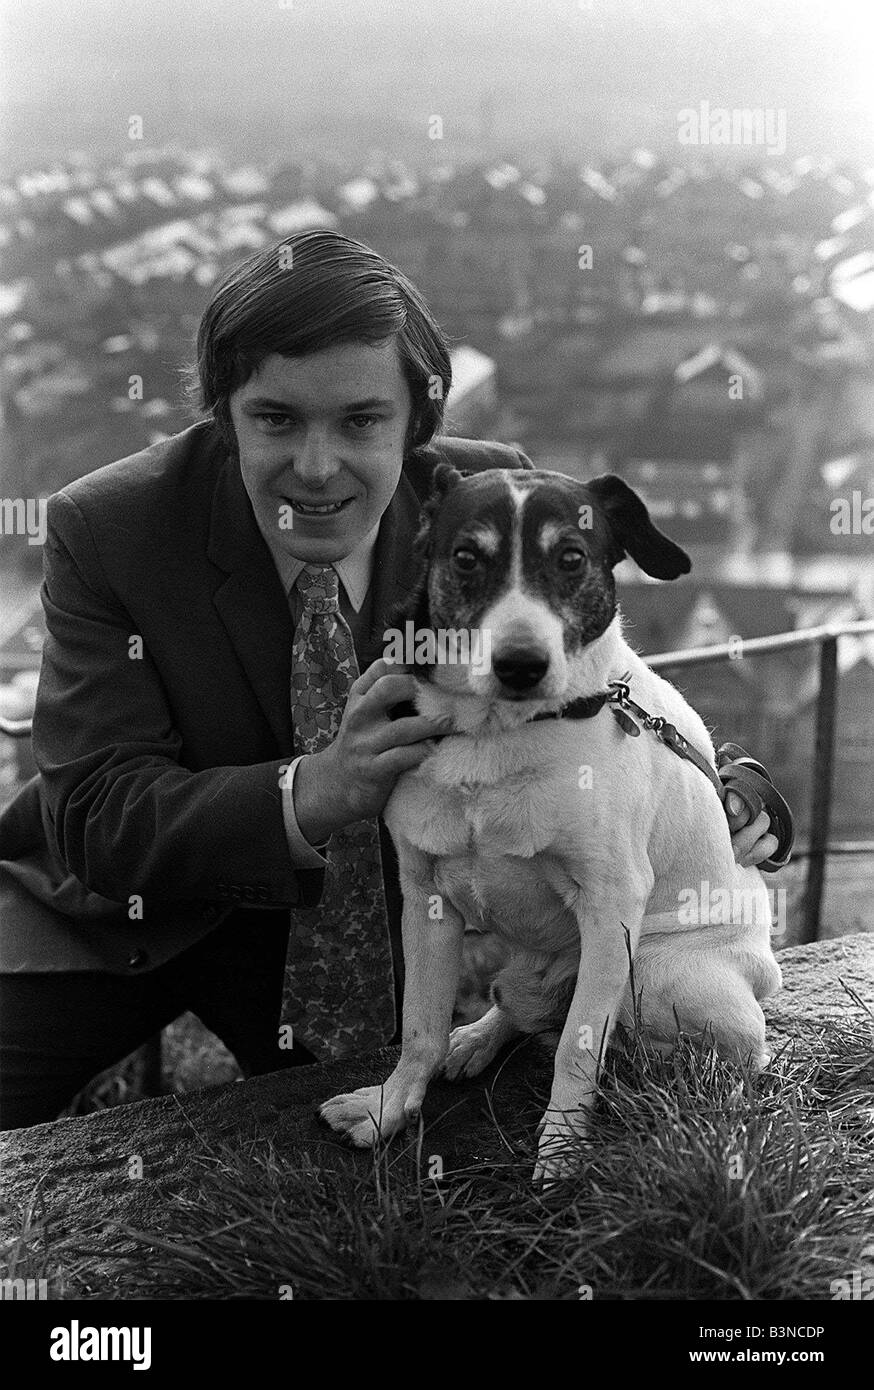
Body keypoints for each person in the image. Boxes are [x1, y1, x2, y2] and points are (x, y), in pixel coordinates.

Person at [0, 229, 783, 1130]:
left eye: (362, 420)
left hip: (377, 928)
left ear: (420, 418)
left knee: (380, 1162)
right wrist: (316, 793)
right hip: (120, 920)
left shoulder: (485, 498)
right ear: (222, 414)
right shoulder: (111, 528)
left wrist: (727, 781)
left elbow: (593, 679)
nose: (319, 466)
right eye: (276, 418)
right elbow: (96, 812)